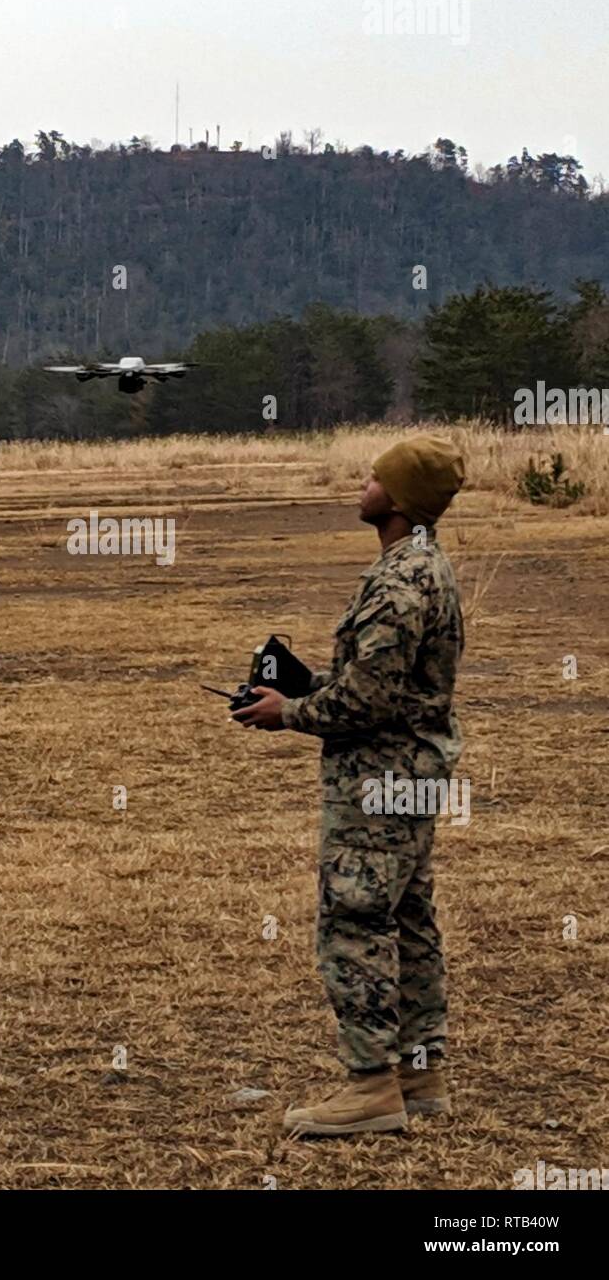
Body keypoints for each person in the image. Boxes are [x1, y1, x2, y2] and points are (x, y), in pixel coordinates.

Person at [233, 434, 465, 1136]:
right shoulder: (425, 568)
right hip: (414, 775)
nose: (361, 484)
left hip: (378, 782)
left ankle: (369, 1085)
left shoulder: (398, 584)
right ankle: (418, 1070)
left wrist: (289, 711)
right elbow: (385, 685)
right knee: (408, 920)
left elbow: (367, 704)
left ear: (396, 500)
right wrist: (312, 683)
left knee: (355, 922)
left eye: (373, 477)